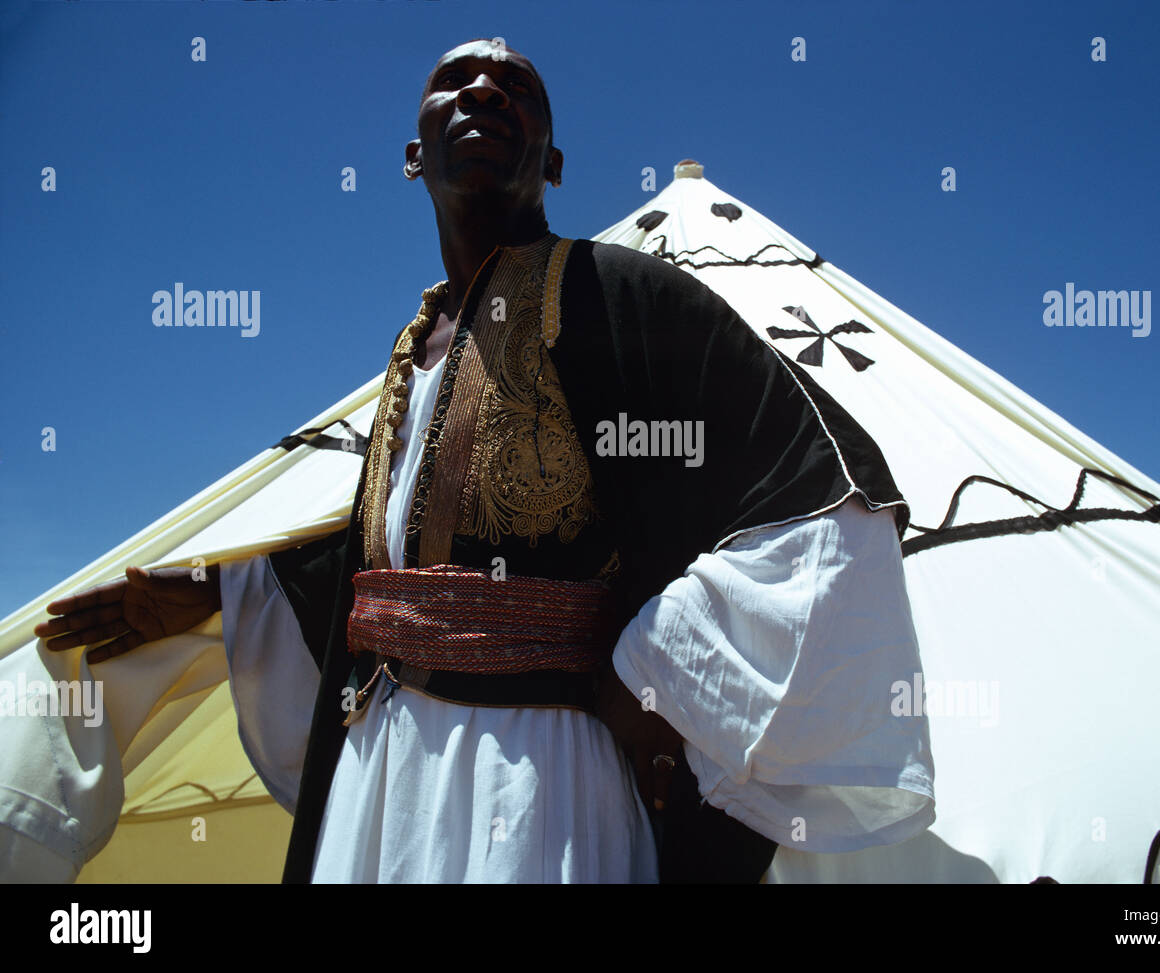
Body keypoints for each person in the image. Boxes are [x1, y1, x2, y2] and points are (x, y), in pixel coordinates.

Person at [36, 39, 935, 883]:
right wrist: (213, 591)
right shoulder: (408, 349)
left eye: (517, 88)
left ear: (553, 162)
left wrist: (649, 670)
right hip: (380, 772)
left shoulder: (623, 295)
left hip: (544, 777)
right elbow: (385, 555)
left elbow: (825, 487)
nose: (483, 90)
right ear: (412, 155)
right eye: (455, 80)